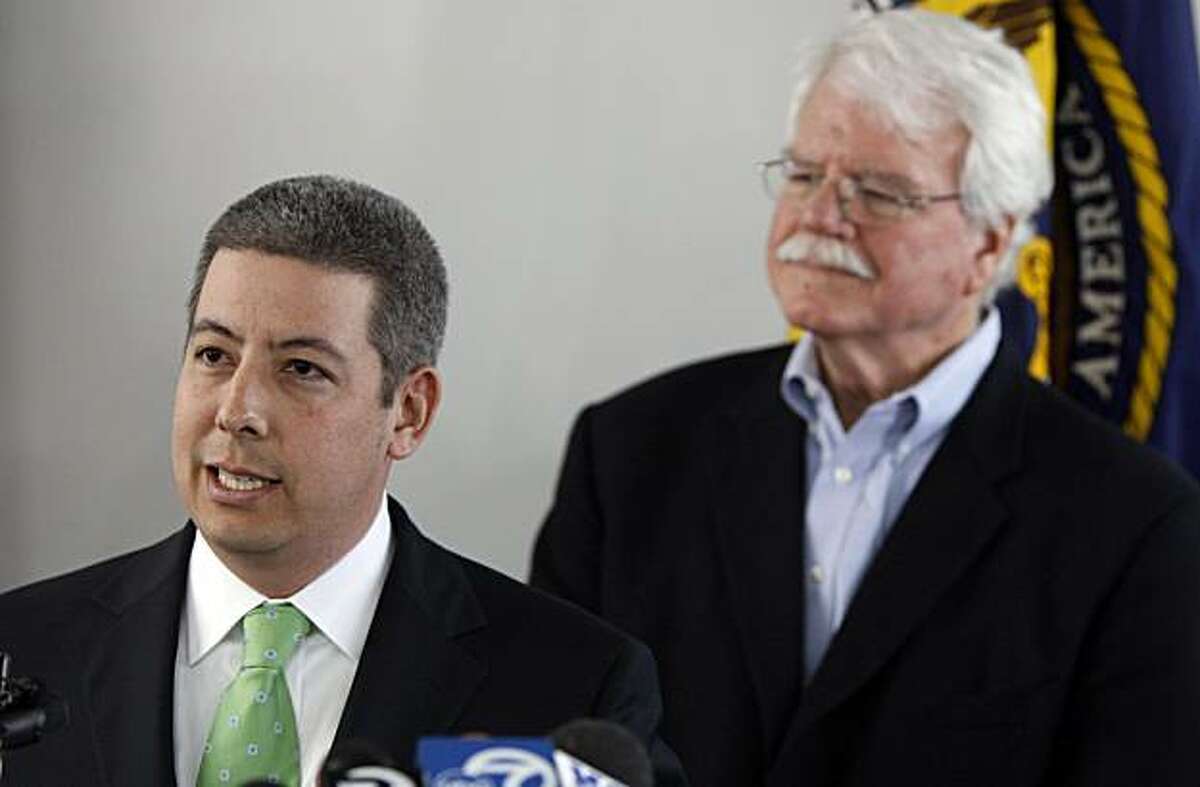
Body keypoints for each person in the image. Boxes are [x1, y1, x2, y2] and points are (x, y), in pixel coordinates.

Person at [531, 9, 1200, 787]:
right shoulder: (628, 451)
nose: (818, 216)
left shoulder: (1135, 522)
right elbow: (541, 744)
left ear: (991, 240)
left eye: (879, 193)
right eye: (806, 174)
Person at [0, 175, 684, 787]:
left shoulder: (574, 685)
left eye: (301, 369)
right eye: (214, 354)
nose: (237, 410)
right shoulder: (23, 644)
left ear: (408, 412)